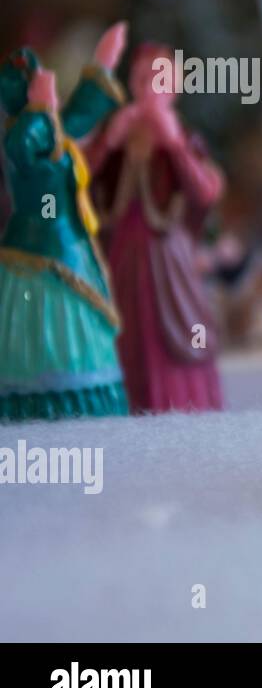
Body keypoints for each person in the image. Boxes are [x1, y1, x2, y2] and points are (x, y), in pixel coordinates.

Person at [0, 24, 130, 420]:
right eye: (39, 86)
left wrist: (102, 65)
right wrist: (41, 107)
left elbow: (76, 117)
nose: (51, 94)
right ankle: (41, 406)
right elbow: (23, 146)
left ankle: (86, 406)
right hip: (36, 258)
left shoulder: (51, 128)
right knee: (38, 335)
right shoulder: (27, 135)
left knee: (84, 338)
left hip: (73, 253)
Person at [86, 44, 224, 412]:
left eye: (159, 79)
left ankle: (181, 400)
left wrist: (174, 144)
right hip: (123, 251)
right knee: (123, 326)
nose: (150, 87)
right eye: (143, 78)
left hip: (168, 252)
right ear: (131, 83)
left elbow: (204, 192)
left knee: (178, 322)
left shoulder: (183, 137)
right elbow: (82, 177)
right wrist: (109, 142)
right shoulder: (119, 132)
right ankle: (125, 399)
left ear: (174, 87)